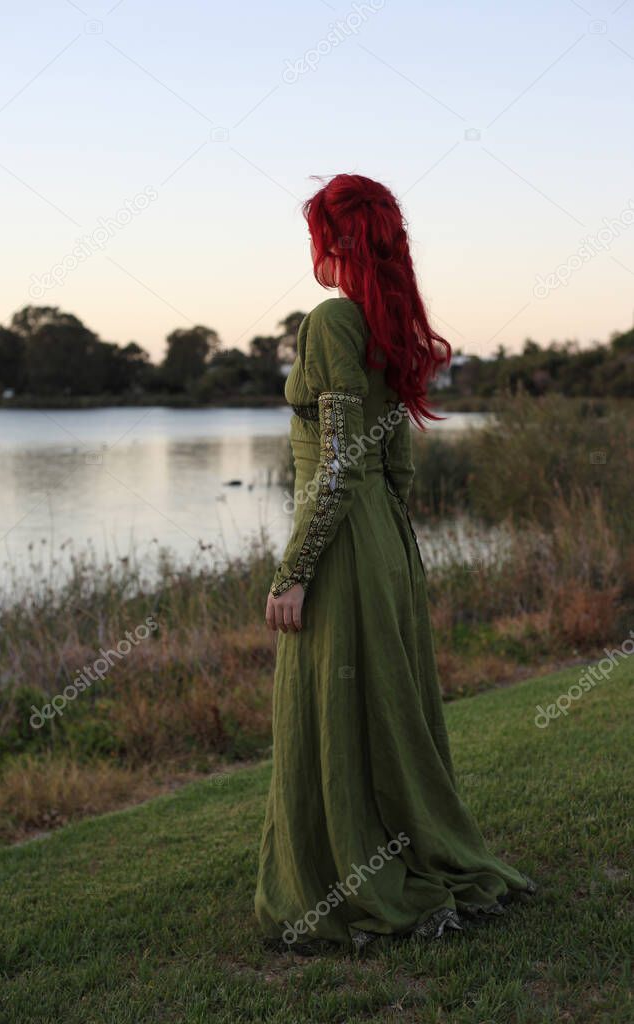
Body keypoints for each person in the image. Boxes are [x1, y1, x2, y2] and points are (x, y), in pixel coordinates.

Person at [255, 173, 537, 953]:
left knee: (335, 707)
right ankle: (405, 850)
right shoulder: (383, 323)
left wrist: (294, 570)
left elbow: (340, 461)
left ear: (333, 241)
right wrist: (388, 540)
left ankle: (346, 879)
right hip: (382, 536)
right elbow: (395, 462)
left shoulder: (330, 320)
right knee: (382, 703)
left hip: (341, 540)